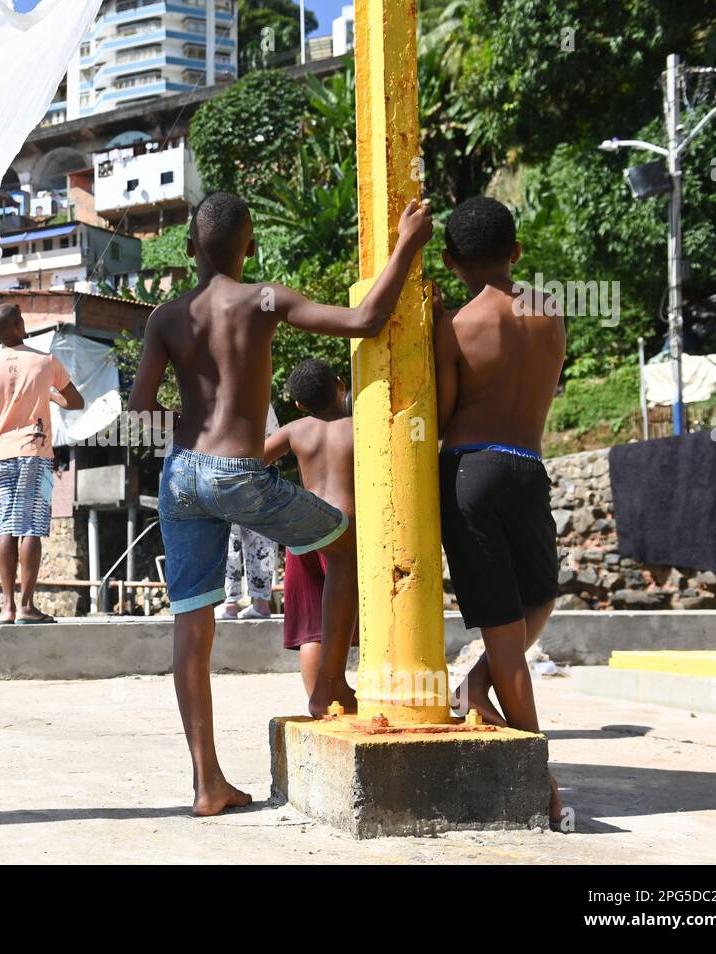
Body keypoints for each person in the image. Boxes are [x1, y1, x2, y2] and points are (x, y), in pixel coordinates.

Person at [130, 190, 434, 816]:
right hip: (238, 472)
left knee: (193, 625)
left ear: (188, 250)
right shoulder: (263, 298)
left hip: (181, 473)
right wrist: (407, 243)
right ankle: (326, 690)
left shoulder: (166, 315)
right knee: (345, 547)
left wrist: (190, 420)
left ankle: (206, 782)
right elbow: (366, 320)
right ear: (252, 245)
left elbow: (138, 413)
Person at [433, 196, 567, 822]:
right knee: (541, 596)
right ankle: (482, 682)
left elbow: (444, 412)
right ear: (516, 252)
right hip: (527, 464)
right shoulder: (550, 314)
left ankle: (538, 775)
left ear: (451, 260)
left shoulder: (457, 326)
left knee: (506, 636)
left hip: (470, 469)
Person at [0, 303, 85, 625]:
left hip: (1, 456)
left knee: (5, 528)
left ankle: (7, 607)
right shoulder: (45, 361)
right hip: (35, 454)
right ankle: (26, 606)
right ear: (21, 325)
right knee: (31, 528)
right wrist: (49, 396)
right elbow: (76, 401)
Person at [264, 360, 356, 702]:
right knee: (343, 620)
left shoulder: (294, 430)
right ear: (340, 383)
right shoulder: (361, 427)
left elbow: (253, 462)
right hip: (347, 534)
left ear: (300, 404)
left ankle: (319, 700)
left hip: (304, 532)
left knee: (311, 629)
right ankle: (335, 689)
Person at [220, 406, 281, 620]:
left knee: (229, 539)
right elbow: (275, 435)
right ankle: (261, 603)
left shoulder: (220, 394)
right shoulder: (260, 392)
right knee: (262, 541)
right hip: (259, 474)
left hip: (225, 473)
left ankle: (230, 603)